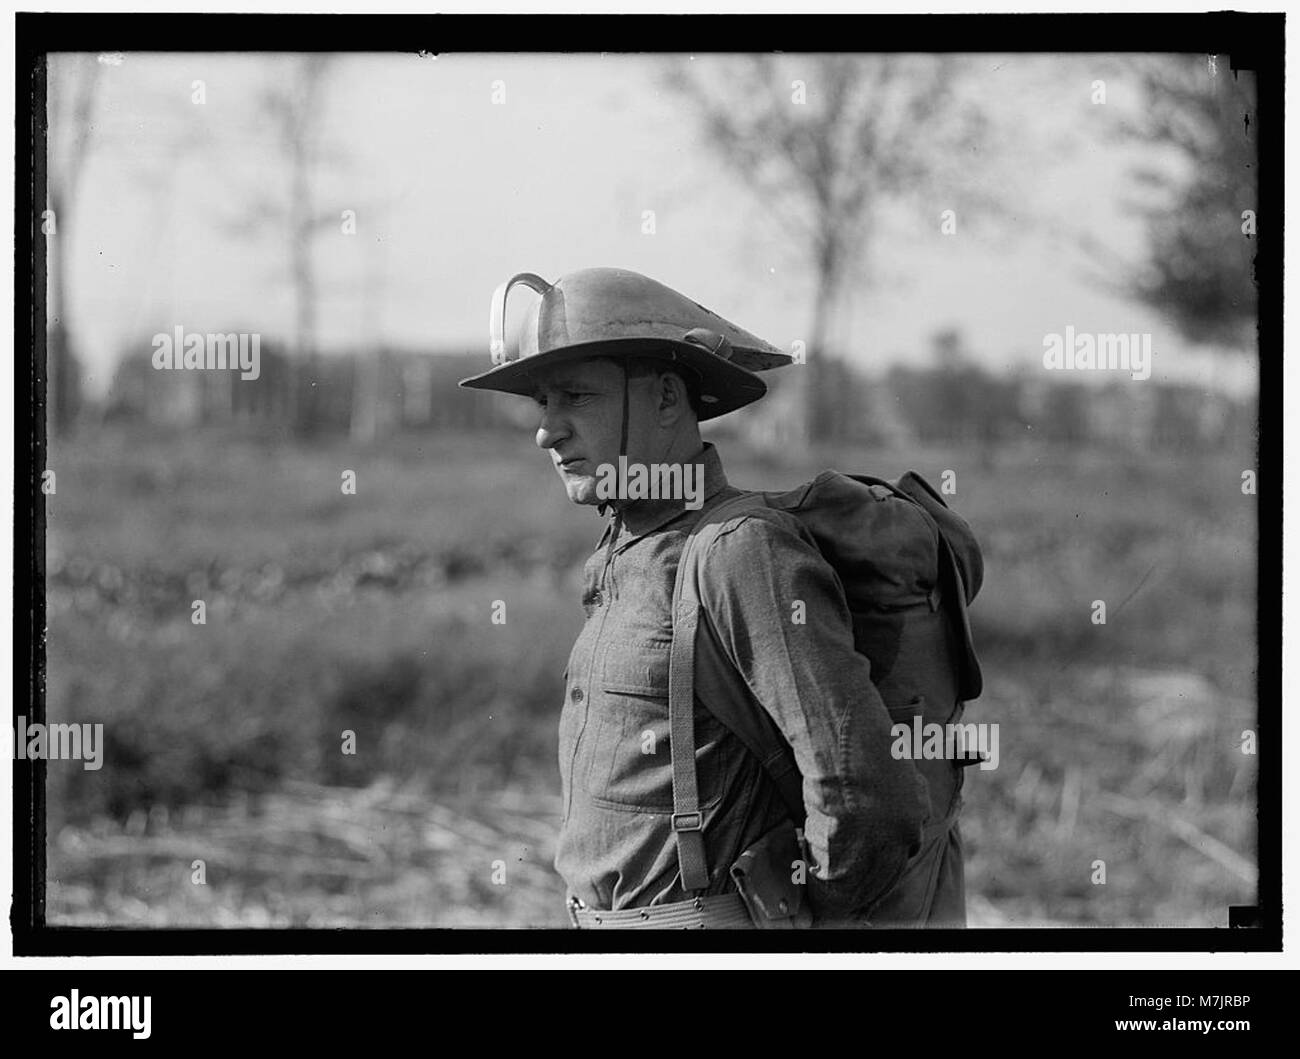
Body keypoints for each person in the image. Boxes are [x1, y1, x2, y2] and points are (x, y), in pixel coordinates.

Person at [460, 267, 936, 928]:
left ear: (664, 398)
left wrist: (800, 922)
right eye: (544, 402)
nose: (547, 430)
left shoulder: (739, 552)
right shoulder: (623, 553)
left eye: (574, 395)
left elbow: (869, 793)